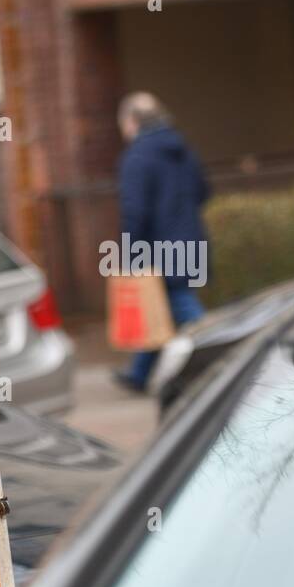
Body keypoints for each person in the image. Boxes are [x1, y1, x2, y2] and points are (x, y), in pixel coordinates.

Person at [112, 91, 211, 392]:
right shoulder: (182, 149)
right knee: (158, 306)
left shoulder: (138, 157)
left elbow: (135, 211)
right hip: (190, 242)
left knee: (184, 308)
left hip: (157, 248)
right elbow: (203, 191)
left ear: (132, 122)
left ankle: (216, 353)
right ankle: (139, 375)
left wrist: (131, 255)